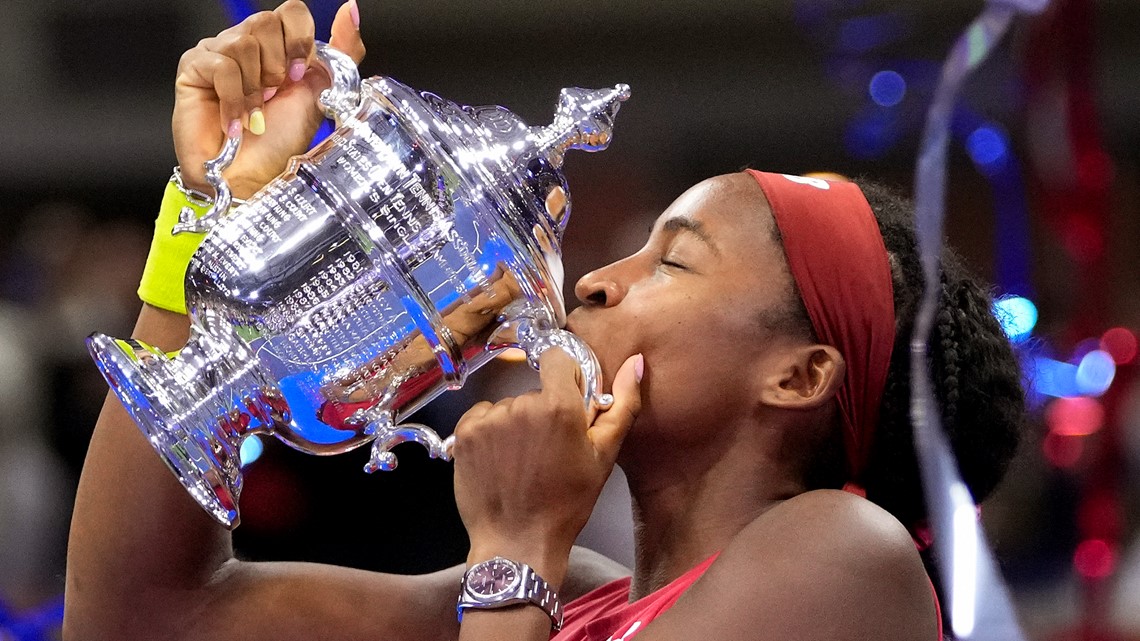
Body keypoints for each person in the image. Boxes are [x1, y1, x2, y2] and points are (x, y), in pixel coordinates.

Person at [63, 2, 1025, 640]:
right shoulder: (569, 591)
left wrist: (515, 554)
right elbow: (140, 615)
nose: (598, 279)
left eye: (673, 259)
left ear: (799, 375)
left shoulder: (846, 553)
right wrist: (221, 213)